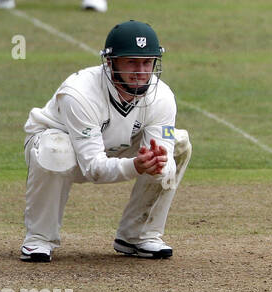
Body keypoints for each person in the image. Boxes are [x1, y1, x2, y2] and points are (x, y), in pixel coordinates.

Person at [20, 20, 191, 262]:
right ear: (110, 63)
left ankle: (138, 235)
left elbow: (160, 164)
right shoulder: (79, 94)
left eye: (147, 62)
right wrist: (136, 166)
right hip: (59, 146)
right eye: (131, 61)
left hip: (117, 146)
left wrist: (156, 164)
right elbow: (93, 169)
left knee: (179, 144)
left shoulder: (162, 96)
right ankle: (39, 238)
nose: (141, 71)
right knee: (56, 149)